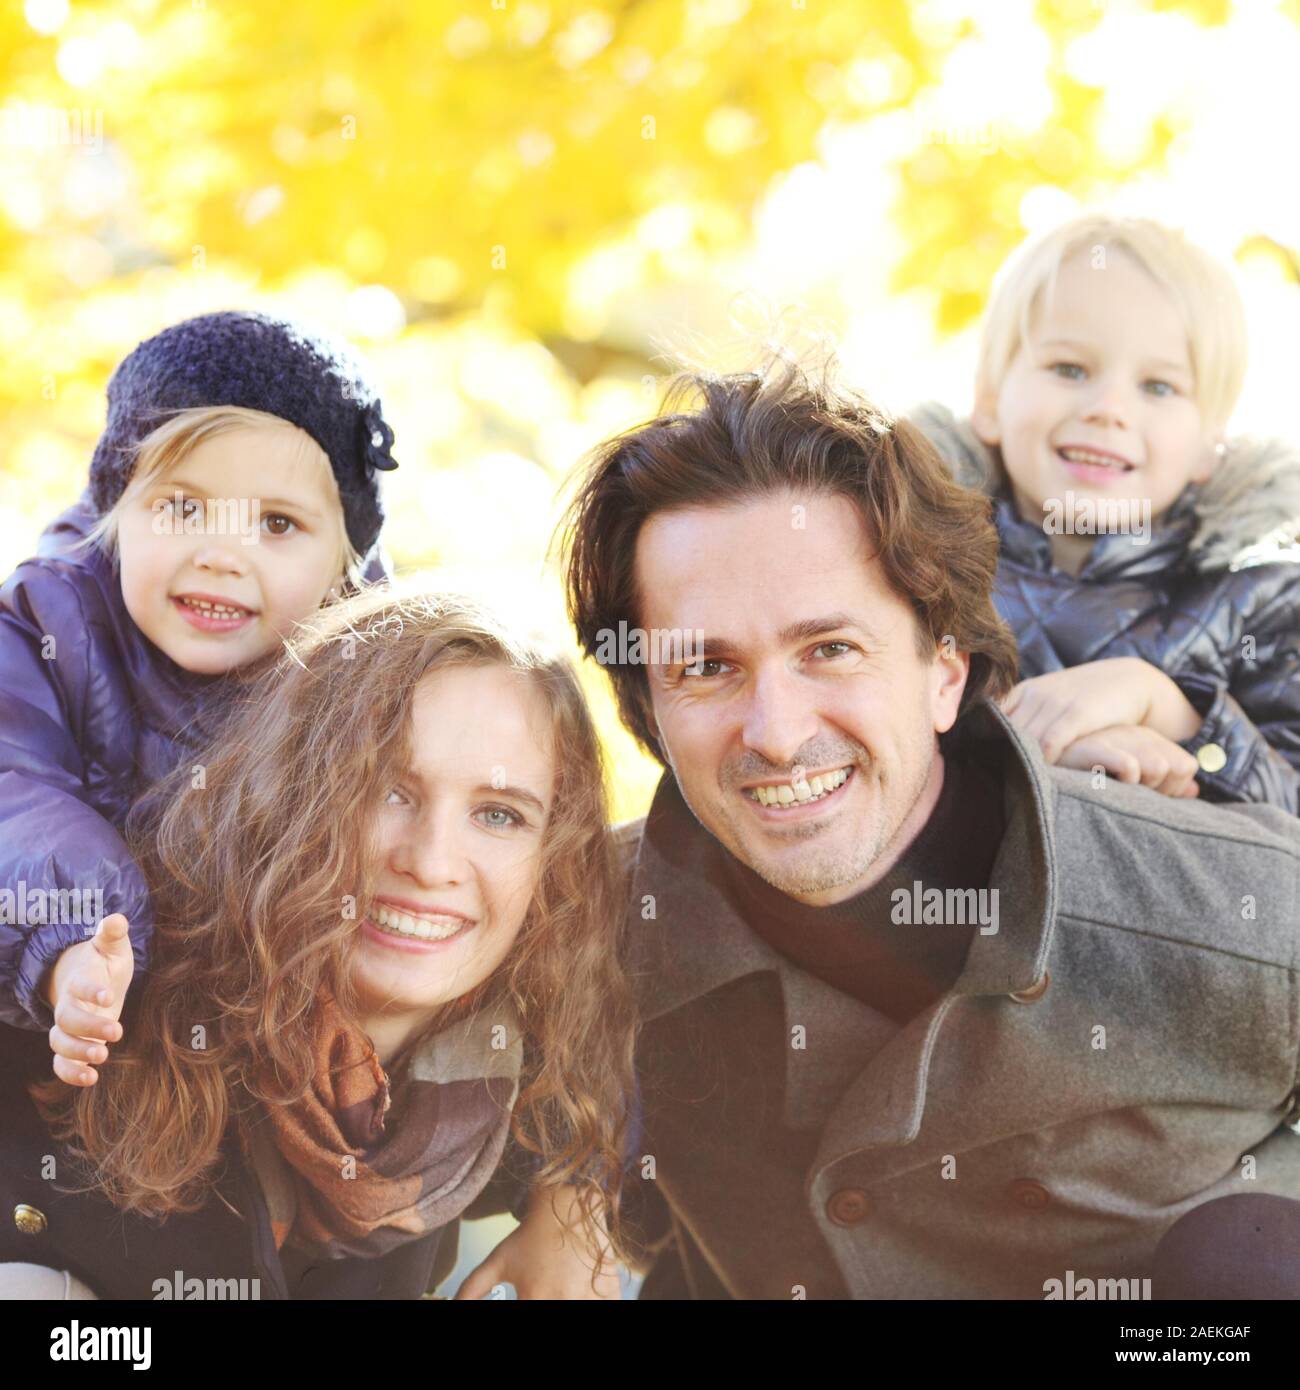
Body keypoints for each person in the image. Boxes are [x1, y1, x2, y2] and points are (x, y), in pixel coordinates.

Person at [559, 351, 1300, 1298]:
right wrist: (558, 1193)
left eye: (830, 649)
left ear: (945, 671)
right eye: (706, 667)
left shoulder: (1237, 908)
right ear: (647, 708)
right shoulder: (570, 929)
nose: (778, 736)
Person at [0, 589, 635, 1299]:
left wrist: (575, 1198)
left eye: (499, 814)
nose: (430, 862)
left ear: (553, 862)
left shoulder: (504, 1082)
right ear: (290, 796)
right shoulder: (107, 988)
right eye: (386, 790)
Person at [0, 310, 398, 1075]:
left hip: (269, 1062)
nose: (221, 555)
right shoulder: (48, 627)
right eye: (182, 508)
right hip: (55, 1054)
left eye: (276, 524)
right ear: (117, 515)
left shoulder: (376, 682)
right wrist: (79, 939)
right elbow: (11, 787)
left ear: (342, 565)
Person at [912, 213, 1300, 811]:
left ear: (1207, 443)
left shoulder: (1259, 599)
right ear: (989, 400)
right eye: (1070, 369)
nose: (1110, 408)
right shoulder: (914, 557)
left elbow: (1290, 816)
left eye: (1159, 387)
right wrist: (1030, 748)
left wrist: (1172, 710)